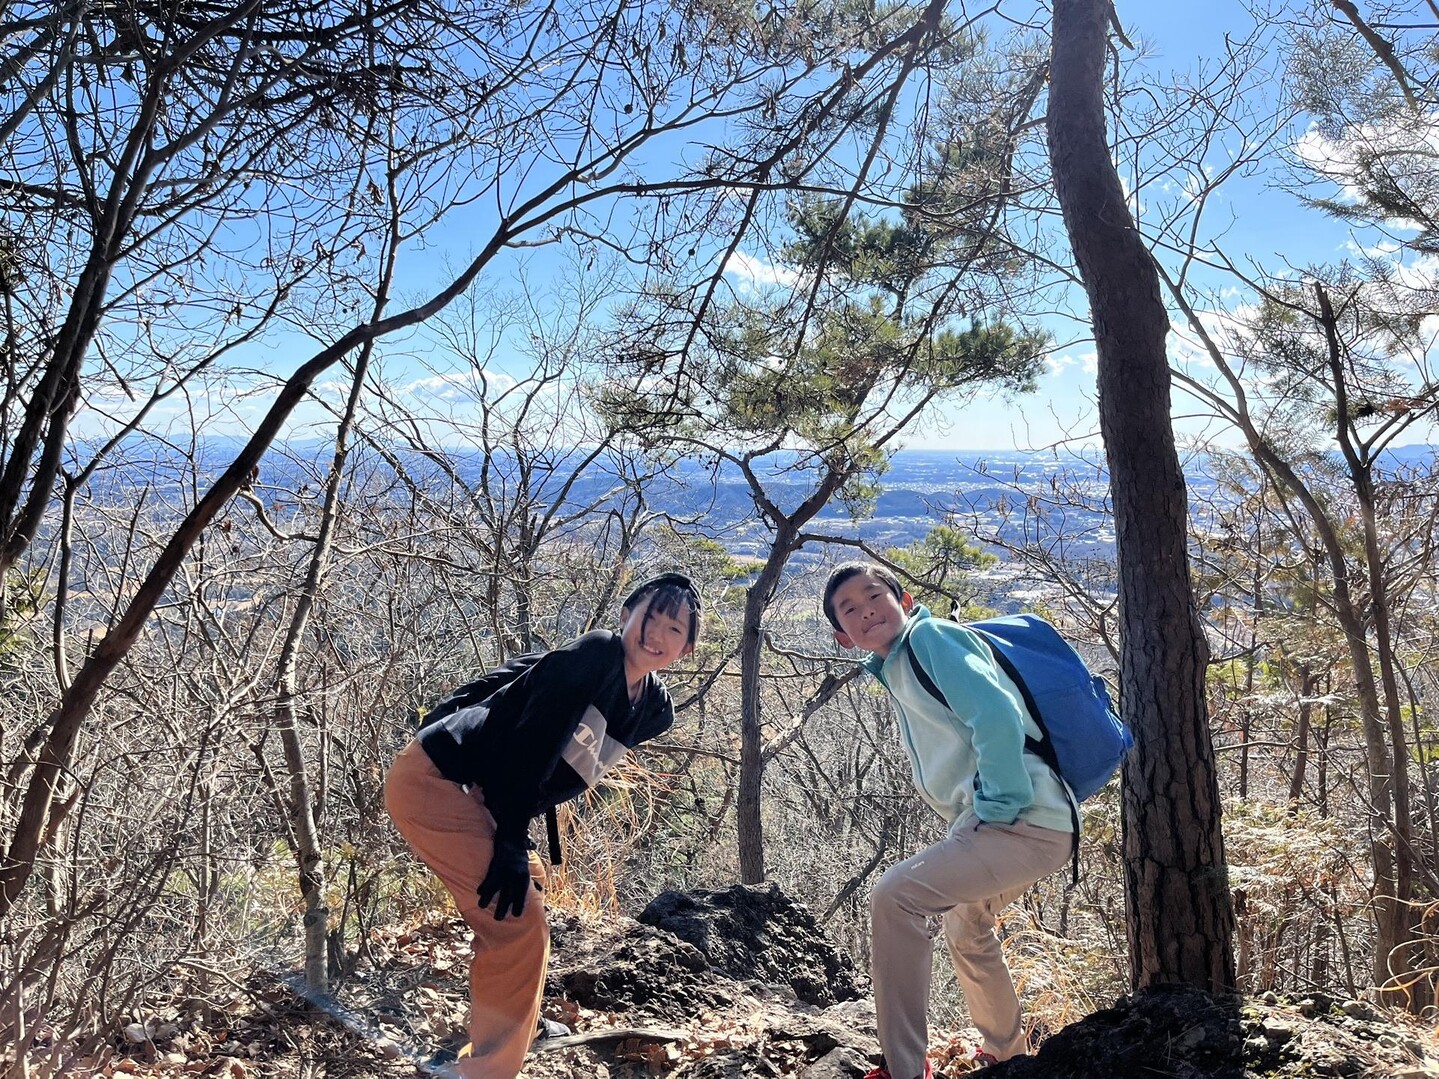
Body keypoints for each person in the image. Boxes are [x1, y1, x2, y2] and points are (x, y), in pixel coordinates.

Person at [385, 572, 701, 1078]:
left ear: (686, 649)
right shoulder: (597, 653)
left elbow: (536, 702)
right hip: (436, 781)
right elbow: (531, 741)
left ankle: (513, 1025)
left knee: (523, 893)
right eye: (650, 616)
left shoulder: (652, 709)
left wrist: (509, 819)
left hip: (481, 793)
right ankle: (486, 1071)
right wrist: (508, 833)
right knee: (517, 919)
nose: (656, 634)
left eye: (674, 628)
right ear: (626, 615)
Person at [822, 562, 1074, 1079]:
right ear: (842, 637)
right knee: (966, 926)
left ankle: (904, 1069)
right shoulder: (898, 668)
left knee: (896, 897)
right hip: (1021, 820)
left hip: (1024, 818)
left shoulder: (930, 638)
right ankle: (1007, 1057)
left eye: (874, 595)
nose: (866, 609)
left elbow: (996, 713)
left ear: (905, 602)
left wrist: (997, 807)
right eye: (850, 608)